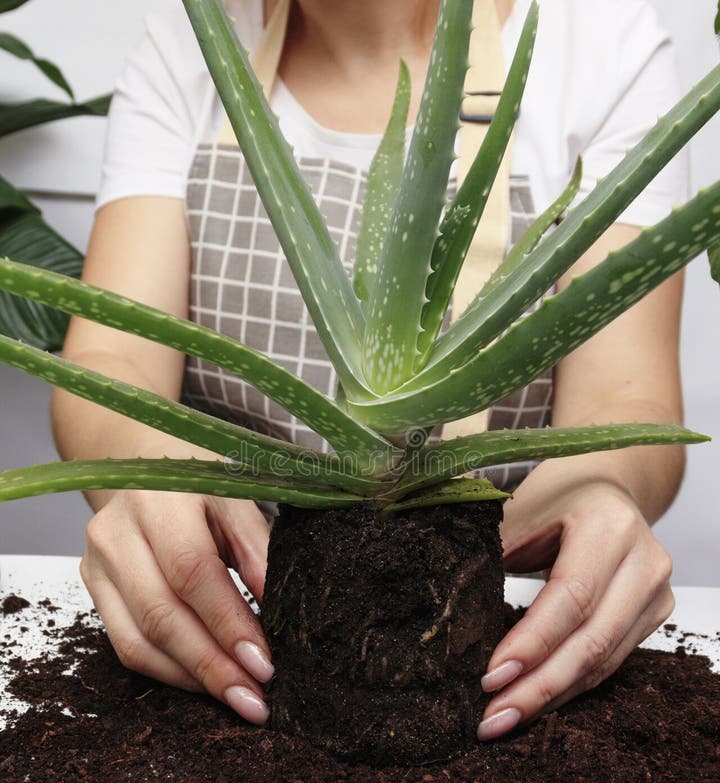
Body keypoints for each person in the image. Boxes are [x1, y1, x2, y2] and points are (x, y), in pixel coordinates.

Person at [51, 0, 689, 741]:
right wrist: (144, 469)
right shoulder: (198, 33)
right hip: (238, 618)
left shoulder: (598, 40)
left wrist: (603, 487)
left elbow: (628, 395)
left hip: (482, 636)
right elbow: (109, 355)